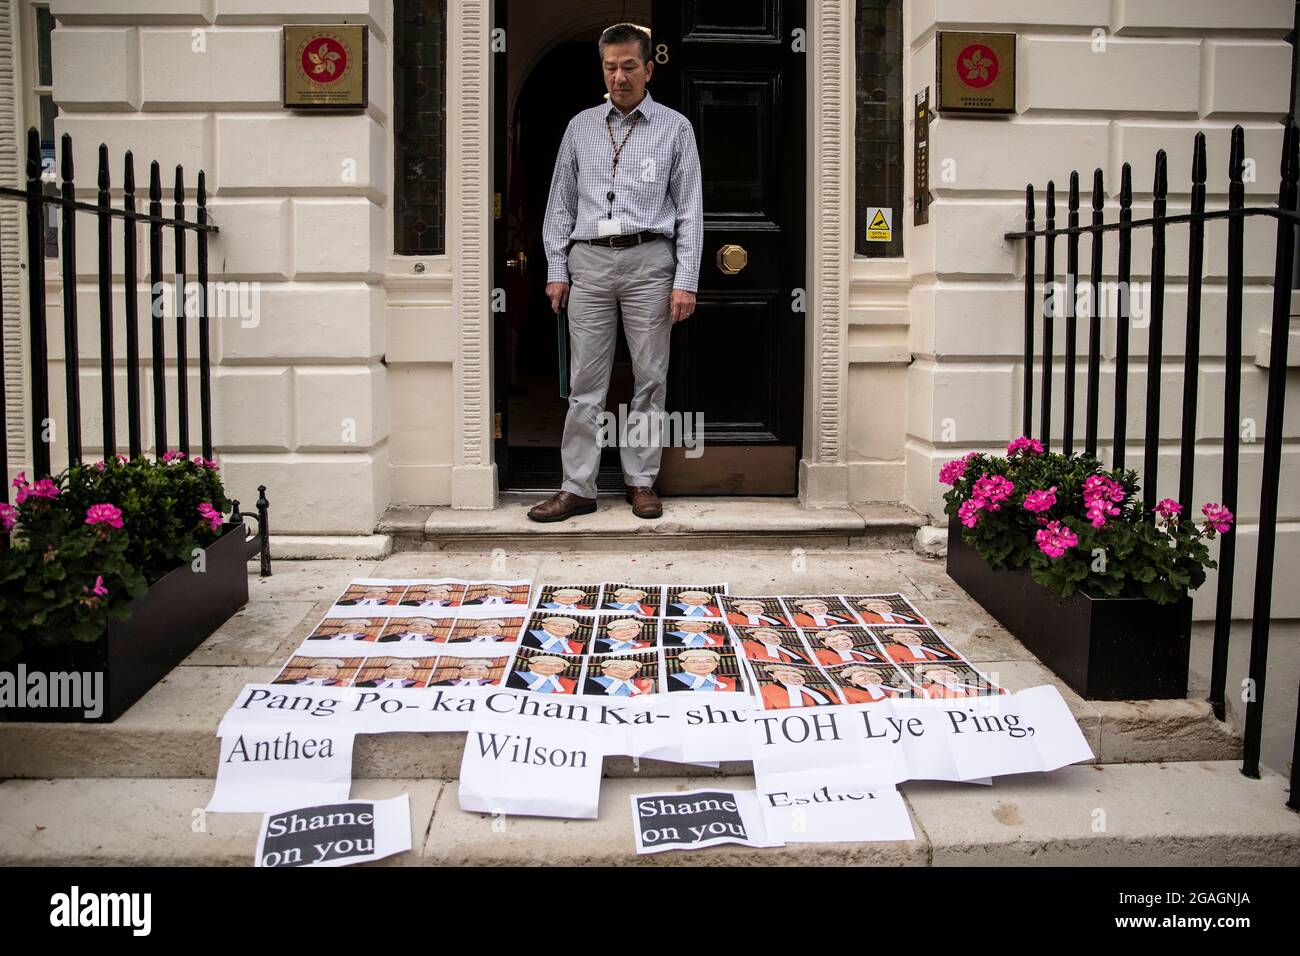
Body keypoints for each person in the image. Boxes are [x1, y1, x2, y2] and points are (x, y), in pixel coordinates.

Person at [528, 22, 702, 524]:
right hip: (589, 262)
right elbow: (558, 204)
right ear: (602, 69)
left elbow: (690, 208)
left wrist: (685, 278)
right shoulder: (580, 126)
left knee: (650, 379)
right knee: (585, 382)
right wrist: (556, 268)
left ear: (648, 68)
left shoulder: (675, 128)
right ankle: (577, 486)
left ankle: (641, 482)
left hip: (650, 261)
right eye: (611, 67)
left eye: (629, 66)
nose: (620, 76)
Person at [758, 665, 840, 709]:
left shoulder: (824, 691)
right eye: (784, 675)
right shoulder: (765, 691)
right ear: (774, 677)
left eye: (796, 675)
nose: (791, 678)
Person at [666, 649, 737, 692]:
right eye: (694, 661)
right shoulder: (669, 680)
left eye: (708, 661)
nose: (702, 664)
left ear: (716, 664)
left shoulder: (730, 682)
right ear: (683, 665)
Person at [834, 666, 909, 703]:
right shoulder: (847, 692)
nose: (869, 677)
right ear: (851, 681)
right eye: (861, 675)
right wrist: (871, 686)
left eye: (873, 675)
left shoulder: (898, 687)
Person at [914, 666, 998, 699]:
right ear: (927, 678)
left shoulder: (976, 687)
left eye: (945, 672)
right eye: (937, 673)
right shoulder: (924, 691)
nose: (943, 674)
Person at [584, 658, 655, 696]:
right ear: (604, 670)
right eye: (616, 668)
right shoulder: (589, 682)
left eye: (630, 669)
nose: (624, 671)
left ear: (636, 670)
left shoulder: (644, 684)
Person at [507, 655, 577, 694]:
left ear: (563, 669)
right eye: (543, 664)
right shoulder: (512, 676)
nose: (549, 667)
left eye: (557, 665)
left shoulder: (569, 684)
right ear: (530, 666)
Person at [881, 629, 959, 664]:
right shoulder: (893, 650)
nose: (910, 639)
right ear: (895, 639)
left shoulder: (935, 649)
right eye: (903, 637)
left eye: (913, 637)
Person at [739, 627, 811, 665]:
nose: (770, 638)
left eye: (774, 637)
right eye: (763, 635)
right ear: (754, 636)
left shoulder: (796, 652)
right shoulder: (746, 646)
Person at [813, 630, 883, 666]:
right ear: (825, 644)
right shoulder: (820, 655)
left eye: (845, 640)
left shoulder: (869, 653)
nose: (841, 643)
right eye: (834, 642)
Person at [356, 659, 426, 689]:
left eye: (406, 669)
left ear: (412, 672)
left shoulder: (421, 685)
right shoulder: (372, 682)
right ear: (385, 670)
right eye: (394, 668)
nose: (399, 671)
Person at [274, 659, 347, 686]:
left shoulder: (339, 684)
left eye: (329, 668)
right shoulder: (284, 683)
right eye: (318, 668)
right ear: (309, 670)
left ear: (335, 672)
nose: (322, 671)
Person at [854, 598, 924, 626]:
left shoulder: (908, 616)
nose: (881, 608)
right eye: (875, 606)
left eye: (884, 605)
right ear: (867, 608)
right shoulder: (864, 616)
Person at [432, 659, 498, 687]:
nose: (474, 671)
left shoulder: (494, 683)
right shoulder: (446, 683)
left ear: (487, 671)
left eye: (480, 669)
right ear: (459, 671)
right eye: (468, 669)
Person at [449, 619, 515, 644]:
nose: (488, 630)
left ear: (500, 630)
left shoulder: (509, 640)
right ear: (476, 629)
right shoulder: (463, 640)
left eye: (493, 627)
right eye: (483, 627)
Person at [309, 621, 375, 642]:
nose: (352, 629)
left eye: (359, 627)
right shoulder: (325, 637)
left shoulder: (370, 639)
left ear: (364, 630)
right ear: (341, 628)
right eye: (348, 627)